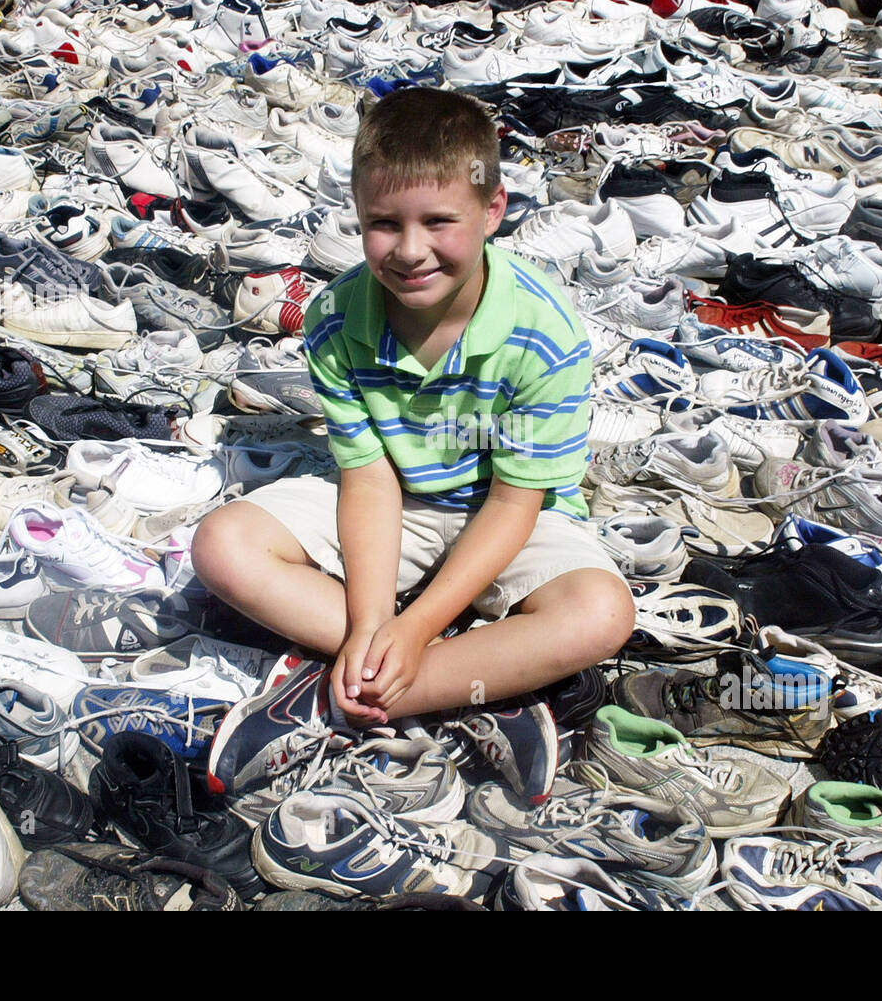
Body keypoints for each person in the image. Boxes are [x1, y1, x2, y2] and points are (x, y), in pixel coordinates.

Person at [191, 86, 634, 747]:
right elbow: (369, 480)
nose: (410, 249)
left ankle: (374, 688)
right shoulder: (336, 320)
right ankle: (451, 668)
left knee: (601, 613)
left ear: (493, 210)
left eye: (438, 222)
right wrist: (375, 622)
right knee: (222, 546)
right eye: (385, 224)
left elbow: (516, 504)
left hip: (514, 519)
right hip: (395, 508)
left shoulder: (545, 333)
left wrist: (417, 626)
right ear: (358, 214)